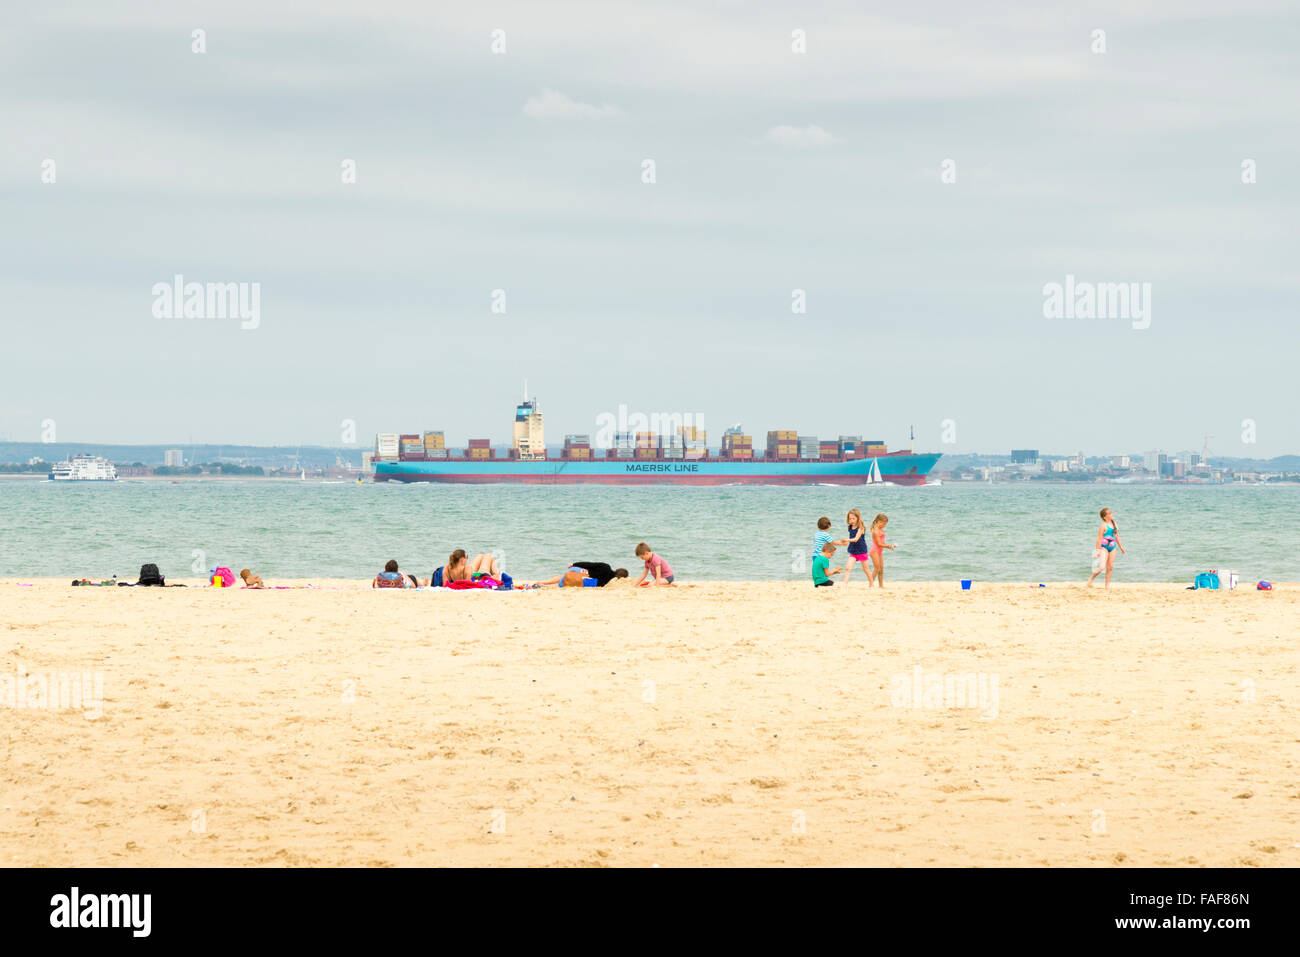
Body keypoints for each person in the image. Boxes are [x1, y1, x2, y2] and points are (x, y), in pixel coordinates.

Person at [1086, 507, 1125, 588]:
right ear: (1105, 517)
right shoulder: (1103, 526)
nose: (1112, 514)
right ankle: (1090, 580)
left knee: (1110, 567)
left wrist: (1121, 547)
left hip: (1113, 548)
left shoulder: (1115, 525)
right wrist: (1098, 550)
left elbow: (1117, 536)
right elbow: (1099, 539)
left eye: (1111, 512)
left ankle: (1107, 586)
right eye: (1110, 513)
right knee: (1102, 567)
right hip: (1104, 548)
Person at [431, 549, 502, 587]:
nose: (467, 559)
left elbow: (445, 585)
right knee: (488, 555)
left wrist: (475, 575)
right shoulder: (467, 569)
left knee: (480, 556)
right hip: (481, 577)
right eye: (466, 557)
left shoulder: (446, 568)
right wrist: (480, 576)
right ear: (462, 559)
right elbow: (469, 584)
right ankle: (496, 576)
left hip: (473, 575)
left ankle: (495, 575)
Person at [838, 508, 871, 584]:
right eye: (850, 519)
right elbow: (851, 539)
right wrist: (844, 543)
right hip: (853, 551)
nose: (852, 520)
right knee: (847, 568)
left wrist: (846, 540)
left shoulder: (861, 527)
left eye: (853, 518)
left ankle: (871, 583)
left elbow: (856, 539)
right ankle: (844, 586)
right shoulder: (850, 527)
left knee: (866, 569)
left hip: (861, 550)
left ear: (858, 518)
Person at [535, 561, 629, 587]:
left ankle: (544, 582)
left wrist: (574, 564)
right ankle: (544, 586)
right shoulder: (605, 583)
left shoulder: (606, 566)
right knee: (564, 583)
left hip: (577, 572)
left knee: (564, 577)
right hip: (584, 582)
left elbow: (589, 564)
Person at [867, 513, 896, 587]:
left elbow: (882, 542)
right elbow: (879, 544)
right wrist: (888, 546)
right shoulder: (875, 531)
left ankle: (881, 585)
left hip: (879, 551)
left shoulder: (881, 529)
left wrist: (890, 546)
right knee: (876, 568)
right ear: (879, 522)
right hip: (874, 551)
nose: (885, 525)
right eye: (884, 523)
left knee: (881, 569)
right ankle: (871, 585)